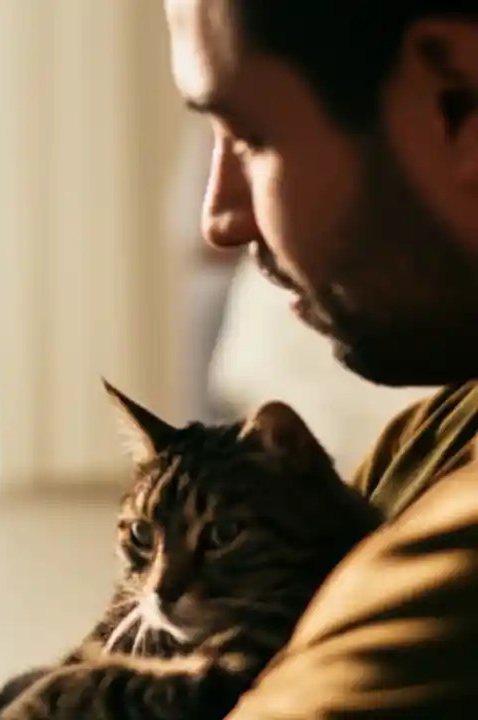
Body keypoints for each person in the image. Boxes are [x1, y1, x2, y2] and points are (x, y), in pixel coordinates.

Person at [164, 1, 478, 715]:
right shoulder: (435, 437)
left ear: (456, 99)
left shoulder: (454, 561)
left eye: (250, 138)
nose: (221, 220)